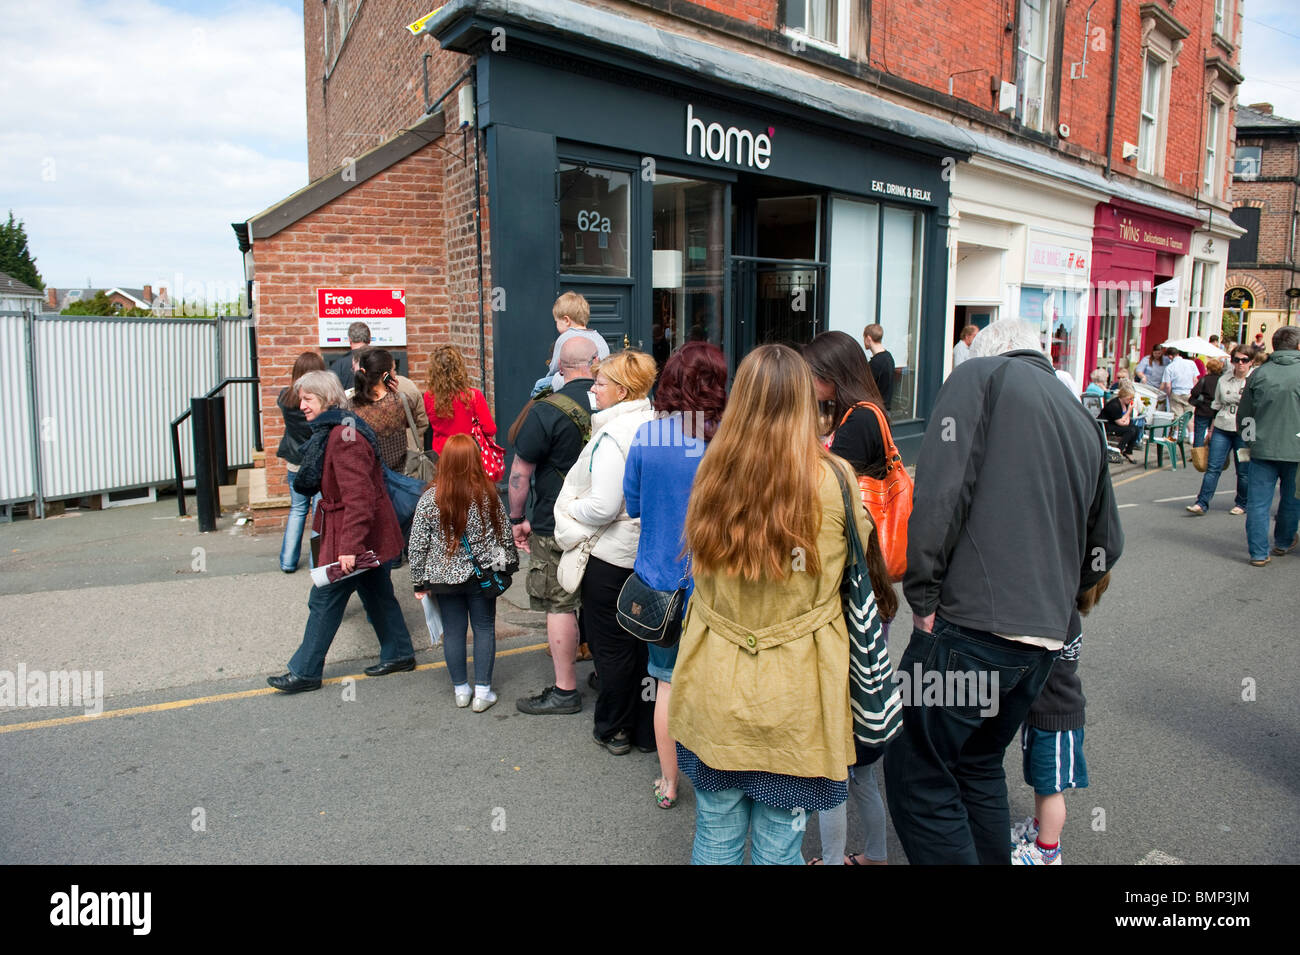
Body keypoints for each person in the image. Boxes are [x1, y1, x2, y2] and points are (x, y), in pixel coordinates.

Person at [886, 320, 1122, 865]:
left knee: (919, 772)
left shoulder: (979, 377)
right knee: (976, 764)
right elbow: (1105, 542)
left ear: (983, 351)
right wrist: (1061, 594)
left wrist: (924, 598)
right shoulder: (1081, 416)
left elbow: (941, 497)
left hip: (971, 627)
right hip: (1043, 639)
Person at [669, 344, 870, 865]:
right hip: (798, 691)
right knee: (781, 842)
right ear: (805, 403)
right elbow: (858, 561)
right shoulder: (835, 481)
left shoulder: (712, 472)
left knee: (715, 829)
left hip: (716, 680)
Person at [801, 330, 900, 866]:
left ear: (832, 375)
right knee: (859, 758)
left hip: (853, 588)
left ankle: (838, 857)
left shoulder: (857, 420)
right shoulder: (867, 413)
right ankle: (876, 854)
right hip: (873, 585)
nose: (808, 384)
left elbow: (833, 502)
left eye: (813, 374)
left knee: (836, 753)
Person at [623, 341, 728, 808]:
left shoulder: (649, 436)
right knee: (718, 680)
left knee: (665, 683)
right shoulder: (728, 441)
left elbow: (635, 507)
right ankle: (721, 779)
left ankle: (669, 783)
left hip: (661, 582)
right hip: (719, 586)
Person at [267, 371, 417, 693]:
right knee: (377, 594)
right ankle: (400, 653)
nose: (302, 406)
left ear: (325, 398)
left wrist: (349, 547)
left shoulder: (343, 436)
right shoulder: (336, 430)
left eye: (308, 398)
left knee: (325, 599)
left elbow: (359, 498)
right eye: (301, 399)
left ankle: (305, 671)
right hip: (366, 534)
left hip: (356, 536)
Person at [554, 350, 658, 754]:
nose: (592, 389)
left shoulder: (614, 436)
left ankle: (614, 728)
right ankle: (648, 732)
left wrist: (566, 508)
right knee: (643, 646)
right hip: (644, 554)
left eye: (600, 383)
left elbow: (603, 505)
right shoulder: (656, 424)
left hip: (612, 558)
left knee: (611, 647)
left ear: (622, 390)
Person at [510, 337, 598, 714]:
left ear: (560, 368)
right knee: (601, 600)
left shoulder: (546, 411)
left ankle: (565, 691)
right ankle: (607, 675)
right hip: (606, 521)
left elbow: (520, 474)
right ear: (595, 363)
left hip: (554, 522)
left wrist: (517, 519)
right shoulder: (615, 404)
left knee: (560, 604)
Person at [407, 434, 519, 712]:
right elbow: (503, 534)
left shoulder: (430, 498)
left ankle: (460, 690)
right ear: (474, 460)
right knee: (483, 629)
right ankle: (483, 692)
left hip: (444, 578)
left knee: (454, 633)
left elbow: (418, 544)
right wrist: (510, 563)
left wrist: (418, 581)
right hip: (482, 574)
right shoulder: (487, 493)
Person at [1237, 326, 1300, 566]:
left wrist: (1251, 439)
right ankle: (1283, 542)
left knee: (1258, 503)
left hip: (1262, 447)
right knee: (1292, 499)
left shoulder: (1259, 374)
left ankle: (1258, 553)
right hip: (1296, 448)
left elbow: (1246, 415)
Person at [1187, 347, 1252, 516]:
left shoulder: (1255, 380)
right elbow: (1216, 406)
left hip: (1245, 429)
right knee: (1213, 467)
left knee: (1243, 470)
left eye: (1244, 360)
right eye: (1237, 360)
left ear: (1251, 362)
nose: (1240, 364)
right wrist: (1211, 429)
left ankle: (1242, 503)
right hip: (1222, 427)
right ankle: (1201, 503)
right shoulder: (1224, 380)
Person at [277, 351, 326, 572]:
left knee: (297, 510)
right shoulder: (320, 404)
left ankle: (288, 561)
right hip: (316, 464)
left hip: (294, 463)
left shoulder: (285, 398)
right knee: (318, 514)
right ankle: (317, 562)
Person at [350, 348, 429, 475]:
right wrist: (396, 393)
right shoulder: (400, 402)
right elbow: (414, 422)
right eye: (393, 369)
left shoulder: (350, 406)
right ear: (386, 376)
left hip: (368, 478)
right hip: (399, 479)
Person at [423, 344, 496, 456]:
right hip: (468, 454)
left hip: (442, 455)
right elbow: (490, 429)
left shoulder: (429, 397)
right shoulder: (473, 396)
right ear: (459, 369)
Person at [534, 291, 611, 396]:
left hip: (570, 383)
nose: (556, 325)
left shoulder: (564, 338)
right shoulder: (600, 338)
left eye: (556, 321)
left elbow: (555, 368)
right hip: (597, 383)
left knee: (540, 384)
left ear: (566, 320)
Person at [1188, 357, 1224, 449]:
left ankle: (1198, 456)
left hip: (1202, 410)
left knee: (1199, 434)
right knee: (1215, 434)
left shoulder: (1205, 379)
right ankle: (1212, 453)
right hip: (1216, 411)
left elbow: (1194, 392)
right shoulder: (1222, 380)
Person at [1100, 383, 1141, 462]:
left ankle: (1128, 451)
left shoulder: (1126, 404)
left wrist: (1127, 415)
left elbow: (1127, 422)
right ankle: (1118, 451)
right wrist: (1129, 411)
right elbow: (1121, 423)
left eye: (1132, 399)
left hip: (1116, 424)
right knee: (1130, 430)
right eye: (1129, 398)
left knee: (1136, 429)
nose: (1131, 401)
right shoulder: (1114, 405)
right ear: (1123, 396)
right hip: (1107, 425)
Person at [329, 321, 370, 391]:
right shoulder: (379, 359)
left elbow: (331, 393)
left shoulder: (338, 365)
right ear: (369, 338)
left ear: (349, 339)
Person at [863, 323, 896, 407]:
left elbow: (864, 387)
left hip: (877, 409)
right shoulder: (889, 356)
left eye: (864, 338)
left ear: (868, 338)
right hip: (885, 408)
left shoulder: (875, 363)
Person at [1161, 345, 1198, 417]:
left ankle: (1177, 428)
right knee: (1189, 417)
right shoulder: (1191, 363)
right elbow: (1195, 380)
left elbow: (1168, 385)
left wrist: (1169, 396)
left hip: (1176, 393)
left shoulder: (1169, 367)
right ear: (1178, 354)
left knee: (1177, 417)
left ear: (1170, 356)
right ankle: (1190, 428)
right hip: (1189, 392)